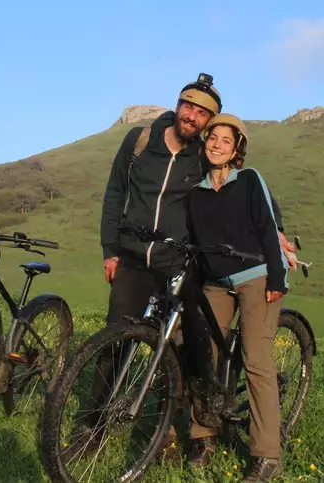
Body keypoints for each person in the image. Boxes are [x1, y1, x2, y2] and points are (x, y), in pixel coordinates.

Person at [94, 74, 296, 459]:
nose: (194, 116)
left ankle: (204, 438)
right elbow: (114, 192)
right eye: (190, 107)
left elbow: (258, 199)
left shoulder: (212, 160)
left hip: (184, 265)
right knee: (128, 343)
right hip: (138, 259)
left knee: (200, 349)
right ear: (178, 105)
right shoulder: (139, 142)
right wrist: (110, 249)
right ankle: (98, 425)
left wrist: (279, 235)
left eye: (204, 114)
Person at [184, 113, 288, 482]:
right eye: (213, 138)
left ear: (236, 149)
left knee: (256, 360)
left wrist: (277, 276)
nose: (216, 145)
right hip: (215, 282)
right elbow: (195, 245)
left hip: (256, 277)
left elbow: (267, 227)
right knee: (202, 357)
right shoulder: (195, 193)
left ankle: (266, 455)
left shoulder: (248, 180)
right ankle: (202, 437)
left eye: (226, 141)